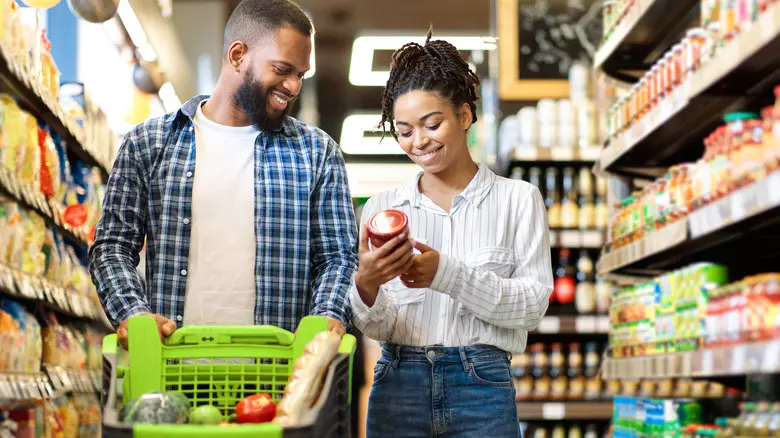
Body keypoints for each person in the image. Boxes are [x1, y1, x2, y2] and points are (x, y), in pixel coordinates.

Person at [89, 0, 357, 349]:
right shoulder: (148, 144)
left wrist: (327, 313)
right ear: (237, 56)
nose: (292, 86)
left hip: (281, 377)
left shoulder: (316, 152)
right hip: (172, 371)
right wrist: (133, 313)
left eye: (300, 75)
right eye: (282, 69)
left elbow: (339, 257)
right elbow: (111, 247)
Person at [351, 28, 554, 437]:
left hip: (482, 386)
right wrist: (366, 284)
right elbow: (379, 326)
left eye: (431, 124)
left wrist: (446, 274)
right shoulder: (381, 210)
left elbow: (532, 305)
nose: (419, 141)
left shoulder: (518, 200)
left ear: (463, 116)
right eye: (405, 131)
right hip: (398, 384)